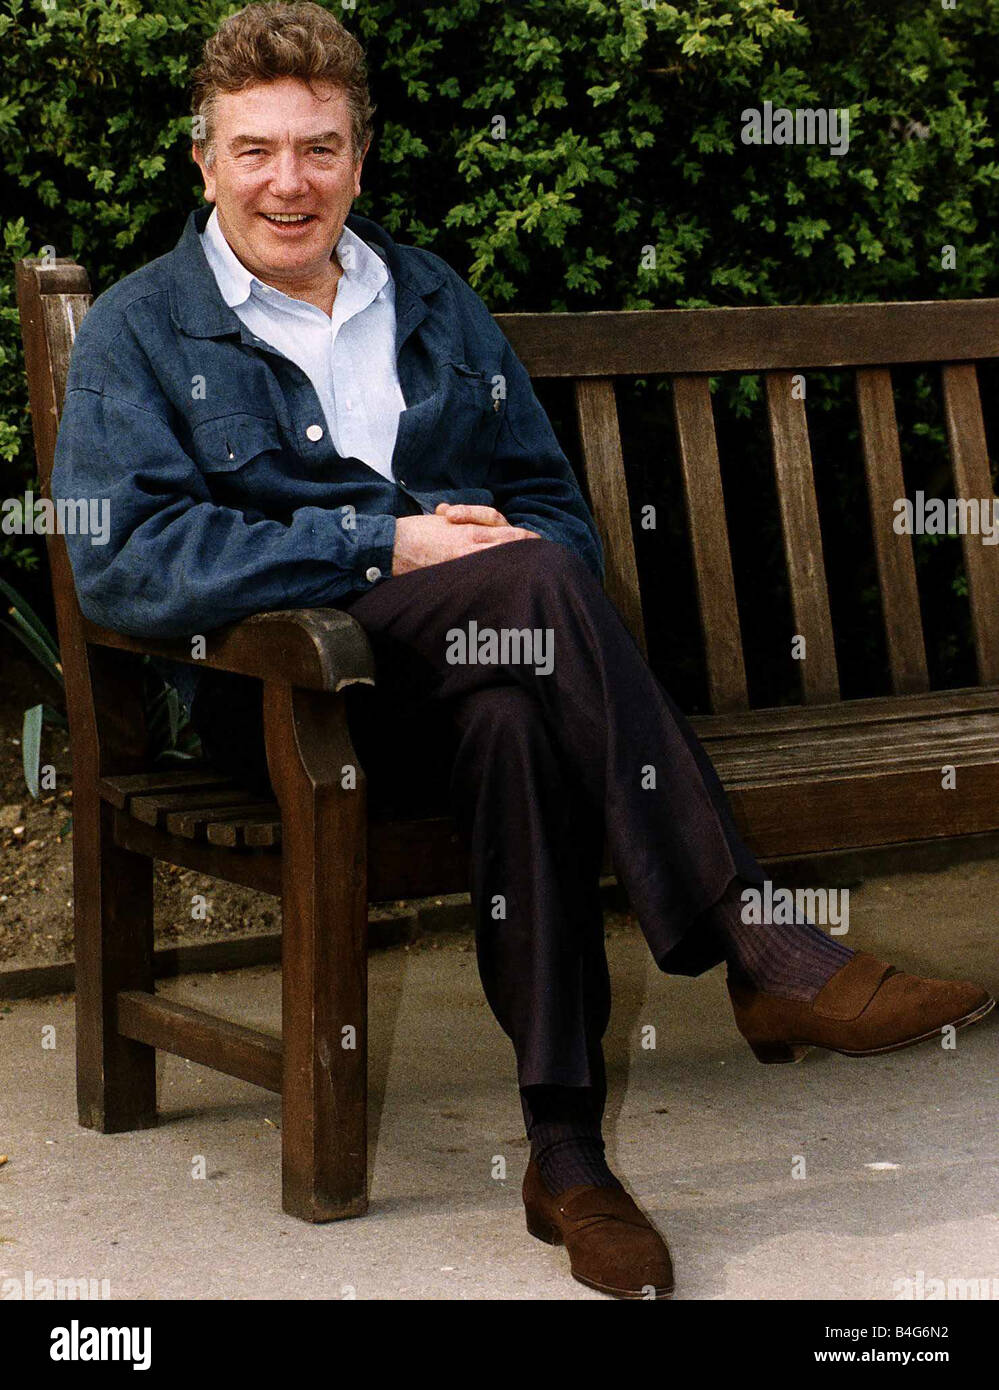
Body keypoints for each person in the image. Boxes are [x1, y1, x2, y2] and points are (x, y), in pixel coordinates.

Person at [52, 1, 994, 1300]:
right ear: (202, 159)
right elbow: (123, 562)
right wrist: (385, 548)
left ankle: (567, 1162)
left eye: (319, 148)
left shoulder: (430, 298)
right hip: (279, 699)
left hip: (482, 670)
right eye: (256, 149)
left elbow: (557, 517)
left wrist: (489, 553)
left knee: (514, 697)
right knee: (522, 609)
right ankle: (764, 949)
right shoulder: (142, 332)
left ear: (361, 158)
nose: (290, 181)